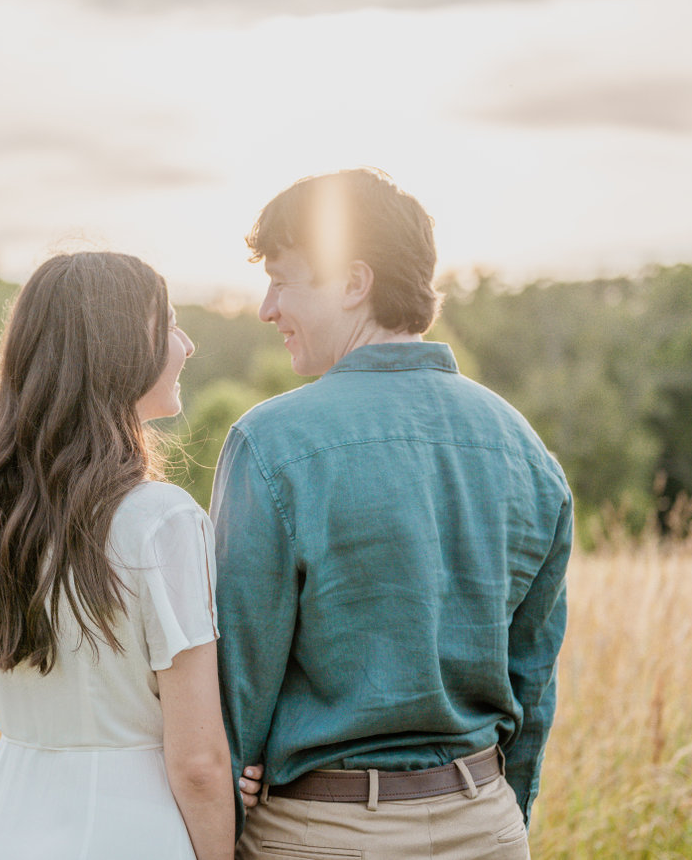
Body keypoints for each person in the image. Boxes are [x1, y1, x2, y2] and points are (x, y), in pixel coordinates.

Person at [212, 169, 574, 860]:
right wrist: (504, 819)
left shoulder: (270, 443)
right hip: (488, 827)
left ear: (354, 283)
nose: (266, 306)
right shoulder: (525, 448)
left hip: (321, 835)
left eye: (284, 280)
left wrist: (224, 820)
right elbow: (533, 684)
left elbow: (236, 693)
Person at [0, 251, 235, 860]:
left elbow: (15, 698)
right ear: (119, 349)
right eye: (169, 324)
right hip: (134, 832)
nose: (187, 344)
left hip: (3, 824)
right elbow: (199, 763)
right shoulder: (164, 521)